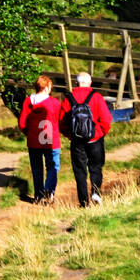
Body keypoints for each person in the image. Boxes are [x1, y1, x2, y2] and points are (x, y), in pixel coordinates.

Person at [60, 71, 112, 208]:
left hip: (77, 142)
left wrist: (71, 136)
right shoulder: (97, 97)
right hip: (95, 139)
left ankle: (83, 203)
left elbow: (61, 122)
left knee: (80, 172)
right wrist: (100, 133)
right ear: (90, 83)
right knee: (96, 167)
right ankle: (95, 192)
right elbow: (106, 119)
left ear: (76, 83)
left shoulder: (68, 98)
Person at [18, 74, 63, 204]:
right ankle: (49, 190)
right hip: (50, 140)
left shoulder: (28, 102)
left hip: (34, 141)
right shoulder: (54, 103)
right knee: (53, 166)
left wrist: (30, 132)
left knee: (37, 168)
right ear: (47, 87)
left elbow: (22, 123)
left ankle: (39, 195)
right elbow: (60, 120)